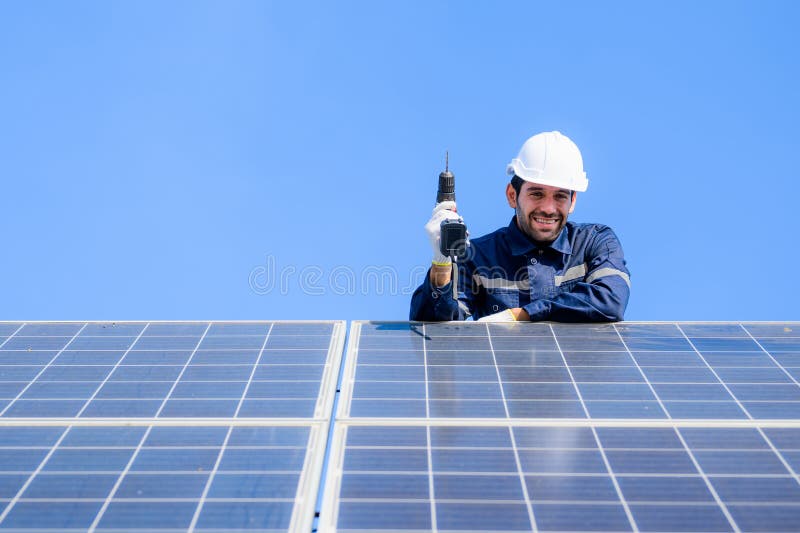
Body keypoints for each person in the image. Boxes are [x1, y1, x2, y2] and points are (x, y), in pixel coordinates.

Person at [410, 131, 630, 322]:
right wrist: (442, 265)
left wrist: (522, 315)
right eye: (537, 194)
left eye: (560, 196)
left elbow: (610, 300)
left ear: (572, 202)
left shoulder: (595, 242)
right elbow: (435, 325)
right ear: (512, 195)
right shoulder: (478, 257)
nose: (548, 208)